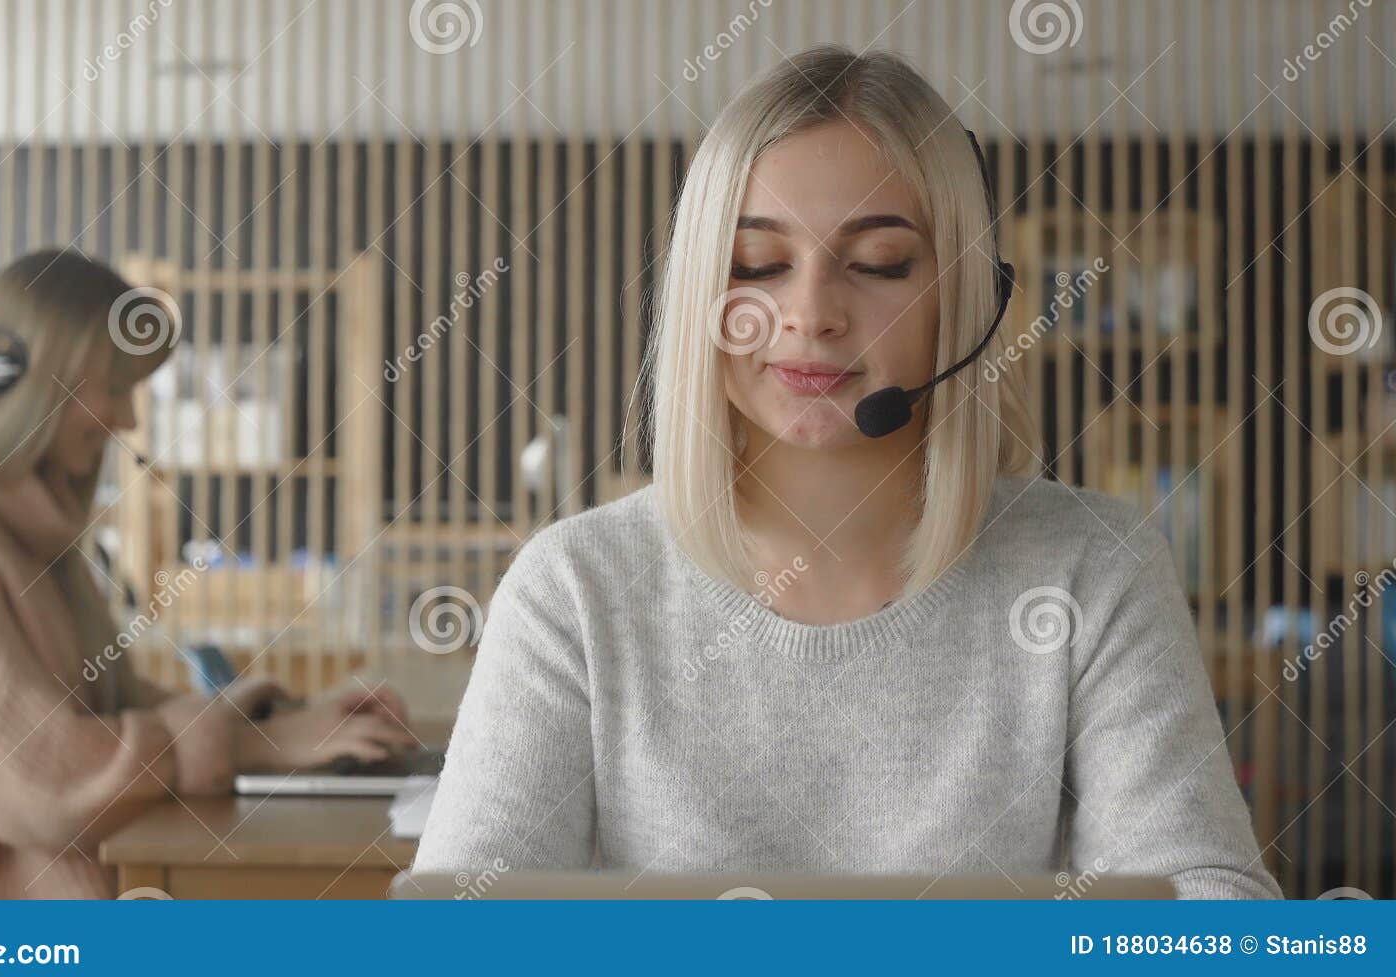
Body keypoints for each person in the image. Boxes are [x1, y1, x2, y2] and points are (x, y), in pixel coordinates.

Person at [414, 47, 1281, 899]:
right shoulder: (576, 587)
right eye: (759, 266)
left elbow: (1215, 914)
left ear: (965, 300)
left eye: (877, 265)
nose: (812, 315)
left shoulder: (1093, 564)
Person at [0, 249, 413, 898]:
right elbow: (29, 781)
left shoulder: (28, 537)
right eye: (114, 388)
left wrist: (276, 724)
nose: (127, 421)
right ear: (14, 379)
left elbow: (111, 708)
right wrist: (249, 750)